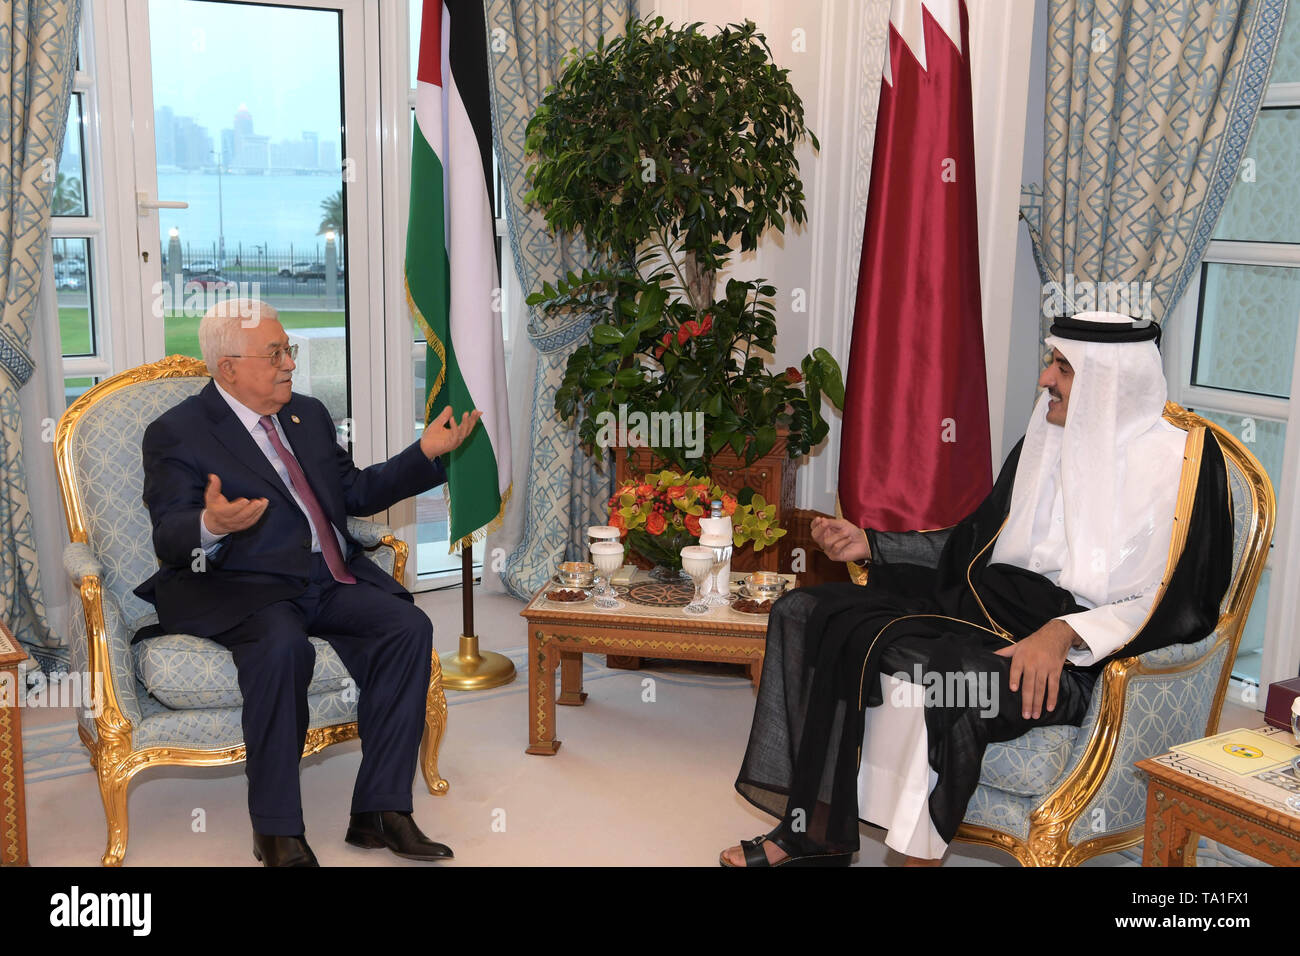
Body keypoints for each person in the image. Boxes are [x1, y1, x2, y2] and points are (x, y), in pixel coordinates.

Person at [720, 310, 1232, 867]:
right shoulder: (1045, 436)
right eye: (1051, 363)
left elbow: (1182, 601)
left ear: (1111, 381)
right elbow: (974, 542)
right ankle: (811, 829)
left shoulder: (1183, 467)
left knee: (952, 681)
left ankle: (916, 858)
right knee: (804, 610)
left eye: (1063, 368)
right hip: (983, 605)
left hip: (1081, 655)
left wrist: (1064, 633)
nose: (1045, 379)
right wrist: (873, 545)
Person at [133, 298, 481, 867]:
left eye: (288, 349)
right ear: (228, 368)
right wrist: (211, 524)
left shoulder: (308, 414)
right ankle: (276, 831)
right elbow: (170, 535)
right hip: (244, 586)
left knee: (407, 627)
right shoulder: (177, 432)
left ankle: (381, 811)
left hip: (329, 576)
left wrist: (424, 453)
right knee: (281, 648)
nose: (290, 363)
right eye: (274, 354)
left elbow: (355, 492)